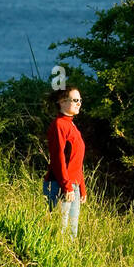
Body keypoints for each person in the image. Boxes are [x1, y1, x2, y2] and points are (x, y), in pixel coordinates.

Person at [43, 87, 87, 238]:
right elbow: (58, 158)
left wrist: (81, 186)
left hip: (72, 185)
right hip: (59, 185)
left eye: (80, 100)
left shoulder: (72, 125)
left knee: (71, 234)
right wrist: (66, 186)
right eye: (75, 100)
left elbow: (76, 160)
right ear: (62, 102)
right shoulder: (59, 124)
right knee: (58, 233)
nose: (79, 103)